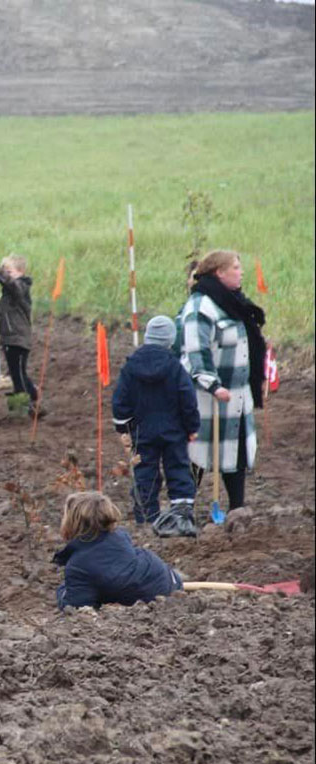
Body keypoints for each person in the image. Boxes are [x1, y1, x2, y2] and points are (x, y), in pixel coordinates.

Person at [176, 250, 266, 511]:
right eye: (236, 267)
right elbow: (196, 351)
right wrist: (212, 385)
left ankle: (238, 510)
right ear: (219, 272)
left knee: (235, 452)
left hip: (237, 394)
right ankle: (183, 508)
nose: (241, 271)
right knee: (197, 451)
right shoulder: (199, 307)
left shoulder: (235, 302)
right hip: (206, 396)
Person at [112, 316, 200, 536]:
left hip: (142, 431)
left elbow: (120, 399)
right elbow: (187, 398)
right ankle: (181, 516)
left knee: (144, 472)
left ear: (147, 337)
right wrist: (192, 427)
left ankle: (146, 517)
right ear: (170, 340)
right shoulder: (175, 366)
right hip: (174, 431)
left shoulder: (131, 366)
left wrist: (123, 427)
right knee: (178, 469)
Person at [52, 491, 183, 610]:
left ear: (72, 523)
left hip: (150, 602)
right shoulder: (120, 535)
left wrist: (63, 589)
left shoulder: (78, 566)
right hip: (169, 579)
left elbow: (75, 606)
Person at [0, 253, 39, 414]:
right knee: (16, 371)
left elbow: (11, 284)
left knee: (17, 372)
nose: (5, 275)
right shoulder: (9, 295)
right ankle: (31, 395)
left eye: (8, 271)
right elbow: (1, 311)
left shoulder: (21, 287)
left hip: (18, 338)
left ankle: (24, 405)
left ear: (20, 271)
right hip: (10, 338)